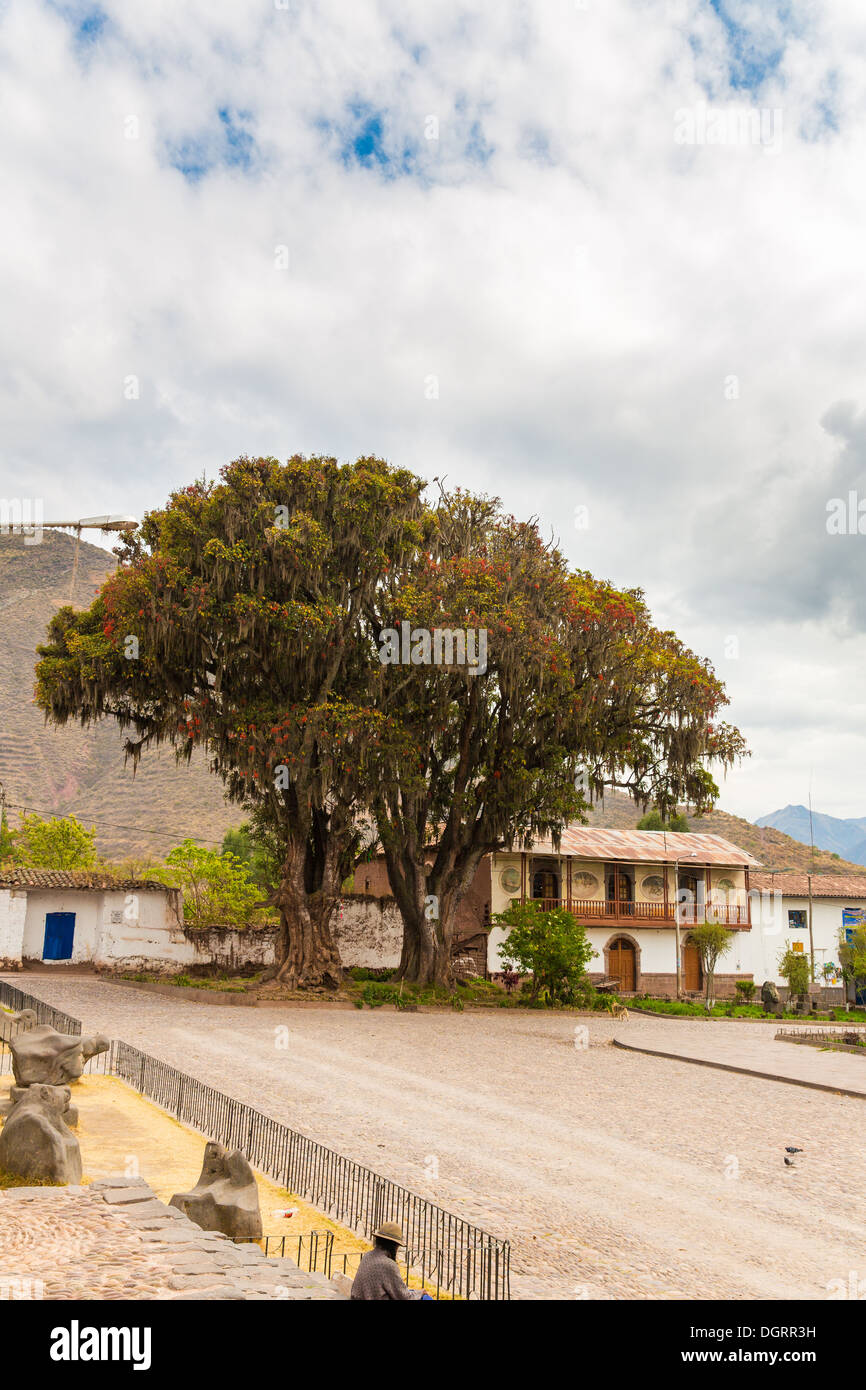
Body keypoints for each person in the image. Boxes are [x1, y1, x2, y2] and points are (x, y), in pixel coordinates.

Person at [350, 1221, 428, 1300]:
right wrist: (421, 1292)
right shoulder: (388, 1265)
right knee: (426, 1298)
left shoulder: (367, 1256)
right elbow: (404, 1297)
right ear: (393, 1246)